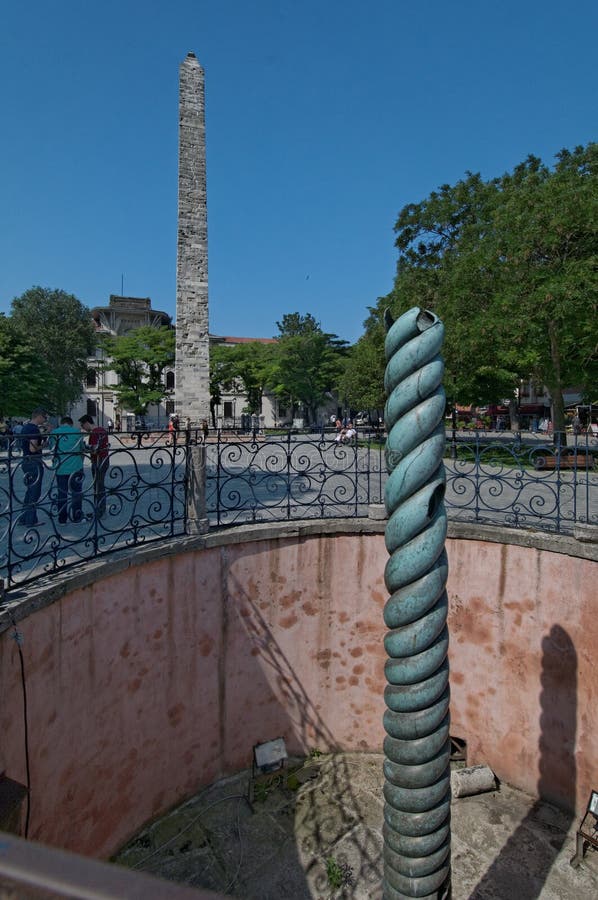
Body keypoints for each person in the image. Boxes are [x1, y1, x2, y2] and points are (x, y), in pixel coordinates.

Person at [50, 416, 85, 524]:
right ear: (71, 424)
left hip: (61, 467)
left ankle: (62, 519)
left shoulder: (54, 433)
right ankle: (77, 516)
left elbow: (53, 449)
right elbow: (81, 450)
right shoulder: (76, 432)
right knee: (76, 492)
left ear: (62, 423)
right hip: (75, 467)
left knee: (62, 493)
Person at [18, 407, 48, 526]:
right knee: (34, 492)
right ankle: (31, 520)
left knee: (29, 491)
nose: (44, 419)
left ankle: (23, 518)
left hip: (25, 461)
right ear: (39, 416)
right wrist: (43, 445)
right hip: (34, 461)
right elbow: (33, 448)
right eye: (44, 417)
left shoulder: (25, 427)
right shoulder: (34, 429)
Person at [79, 414, 109, 518]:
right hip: (104, 460)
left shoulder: (95, 432)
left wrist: (85, 447)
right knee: (100, 486)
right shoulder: (102, 430)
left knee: (97, 487)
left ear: (87, 423)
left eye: (83, 426)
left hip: (98, 461)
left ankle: (99, 510)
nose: (83, 428)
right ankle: (101, 508)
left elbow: (95, 449)